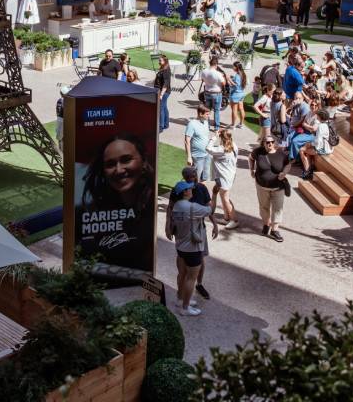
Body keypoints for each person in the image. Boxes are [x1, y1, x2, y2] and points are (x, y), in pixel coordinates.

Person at [80, 133, 157, 269]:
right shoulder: (89, 212)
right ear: (103, 171)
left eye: (126, 160)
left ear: (144, 162)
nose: (119, 170)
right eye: (110, 164)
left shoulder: (151, 208)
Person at [166, 181, 214, 316]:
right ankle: (185, 308)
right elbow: (211, 210)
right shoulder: (192, 207)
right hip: (192, 249)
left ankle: (180, 299)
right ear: (184, 192)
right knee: (191, 278)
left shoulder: (176, 206)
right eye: (189, 189)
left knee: (182, 274)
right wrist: (214, 194)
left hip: (180, 247)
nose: (192, 190)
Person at [249, 130, 289, 241]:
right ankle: (266, 224)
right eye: (267, 142)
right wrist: (251, 169)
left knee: (277, 209)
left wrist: (284, 172)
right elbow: (250, 158)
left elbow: (288, 164)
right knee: (264, 207)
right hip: (262, 186)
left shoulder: (281, 153)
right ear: (263, 143)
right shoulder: (258, 152)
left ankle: (275, 230)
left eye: (272, 142)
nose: (270, 144)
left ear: (274, 143)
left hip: (278, 187)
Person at [206, 128, 239, 229]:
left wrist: (214, 137)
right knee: (224, 196)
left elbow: (208, 148)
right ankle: (227, 217)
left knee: (225, 199)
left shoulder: (221, 149)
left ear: (221, 138)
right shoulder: (234, 145)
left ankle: (234, 220)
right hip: (229, 174)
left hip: (224, 176)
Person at [287, 93, 319, 179]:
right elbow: (304, 123)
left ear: (318, 106)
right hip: (305, 131)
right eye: (312, 104)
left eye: (315, 105)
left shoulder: (317, 115)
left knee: (295, 140)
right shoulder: (309, 113)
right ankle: (296, 159)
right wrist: (306, 126)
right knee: (291, 137)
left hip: (312, 135)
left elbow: (313, 129)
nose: (313, 106)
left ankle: (292, 158)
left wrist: (306, 126)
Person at [183, 105, 212, 182]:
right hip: (197, 157)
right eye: (207, 114)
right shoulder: (192, 124)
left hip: (207, 154)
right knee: (196, 179)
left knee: (206, 177)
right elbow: (187, 141)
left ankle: (202, 192)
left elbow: (205, 136)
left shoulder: (206, 122)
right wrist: (189, 157)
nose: (209, 116)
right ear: (200, 114)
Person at [201, 57, 225, 130]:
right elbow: (223, 83)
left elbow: (202, 80)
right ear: (216, 64)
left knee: (207, 110)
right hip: (216, 93)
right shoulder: (218, 73)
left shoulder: (204, 71)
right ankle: (216, 128)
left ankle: (207, 126)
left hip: (207, 92)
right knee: (216, 111)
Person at [154, 55, 172, 133]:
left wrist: (161, 94)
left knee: (160, 108)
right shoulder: (163, 69)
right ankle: (166, 124)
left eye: (160, 60)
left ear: (165, 62)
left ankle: (160, 127)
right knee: (164, 107)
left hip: (163, 92)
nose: (159, 62)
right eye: (159, 60)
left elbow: (166, 83)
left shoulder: (166, 71)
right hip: (163, 91)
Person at [226, 61, 247, 128]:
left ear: (236, 67)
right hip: (241, 93)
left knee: (234, 110)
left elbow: (236, 86)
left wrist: (229, 79)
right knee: (241, 109)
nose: (232, 67)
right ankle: (241, 124)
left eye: (233, 66)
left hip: (236, 94)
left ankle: (233, 125)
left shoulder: (237, 76)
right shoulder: (243, 74)